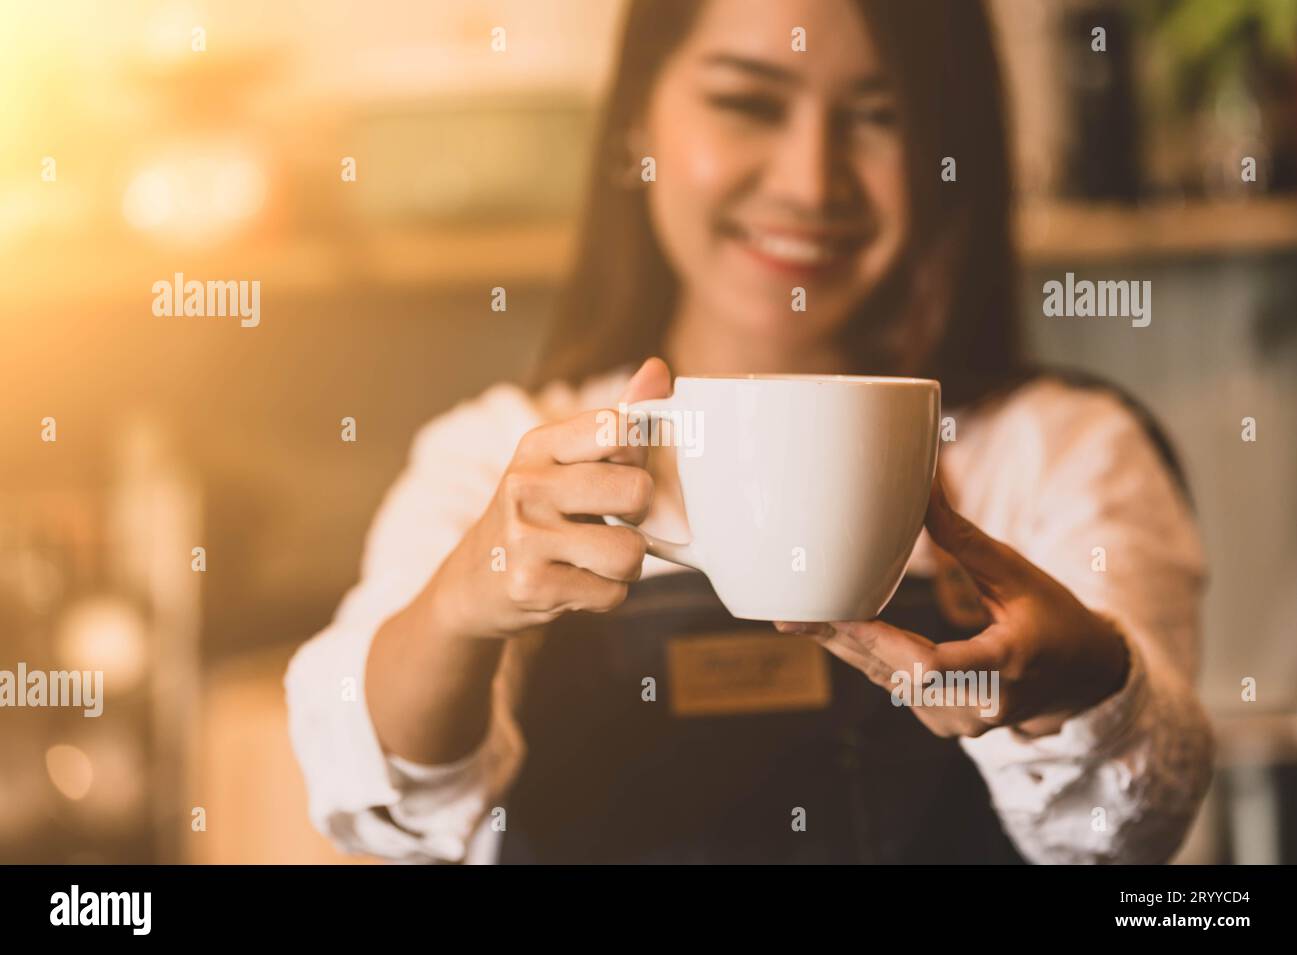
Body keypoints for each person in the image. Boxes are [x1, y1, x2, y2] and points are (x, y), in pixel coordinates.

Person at [285, 0, 1212, 864]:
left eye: (880, 115)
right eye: (747, 103)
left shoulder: (1062, 451)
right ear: (635, 128)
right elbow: (373, 794)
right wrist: (460, 606)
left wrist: (1084, 685)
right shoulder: (500, 452)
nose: (811, 181)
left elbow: (1130, 829)